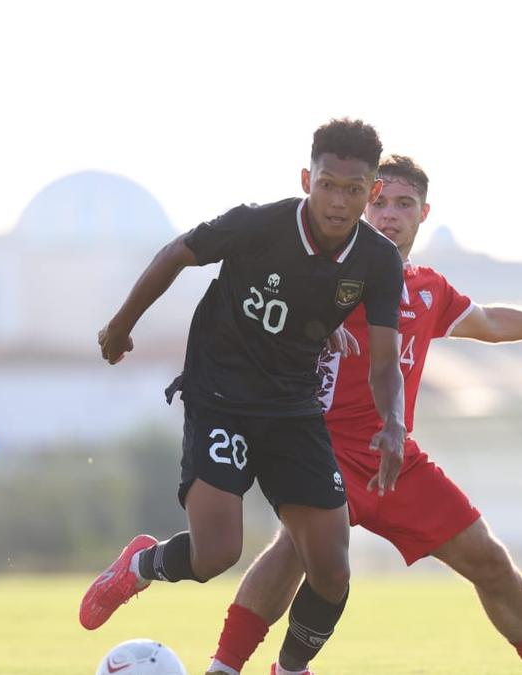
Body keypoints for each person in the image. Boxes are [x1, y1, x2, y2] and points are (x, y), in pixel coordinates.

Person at [206, 155, 522, 675]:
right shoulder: (328, 270)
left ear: (424, 212)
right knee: (294, 553)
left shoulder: (429, 288)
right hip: (319, 446)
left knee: (487, 558)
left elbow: (493, 323)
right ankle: (227, 668)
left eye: (403, 204)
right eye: (379, 202)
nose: (389, 214)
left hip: (394, 458)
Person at [82, 119, 407, 675]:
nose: (337, 200)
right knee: (216, 555)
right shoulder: (259, 224)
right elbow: (177, 252)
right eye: (327, 184)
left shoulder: (377, 261)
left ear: (370, 192)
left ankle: (288, 669)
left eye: (353, 190)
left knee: (331, 571)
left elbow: (383, 361)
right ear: (307, 178)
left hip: (293, 409)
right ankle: (141, 566)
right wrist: (120, 326)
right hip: (220, 395)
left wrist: (393, 422)